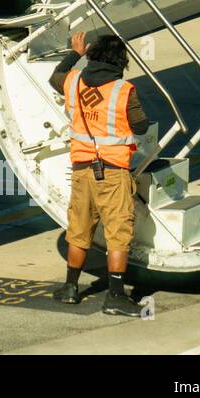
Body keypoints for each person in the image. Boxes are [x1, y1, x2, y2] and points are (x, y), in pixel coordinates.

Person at [48, 31, 149, 317]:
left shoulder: (74, 81)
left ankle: (70, 288)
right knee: (118, 235)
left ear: (92, 55)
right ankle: (115, 296)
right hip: (113, 173)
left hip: (81, 170)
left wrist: (75, 52)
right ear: (120, 60)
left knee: (79, 230)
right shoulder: (123, 90)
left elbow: (56, 75)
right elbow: (140, 127)